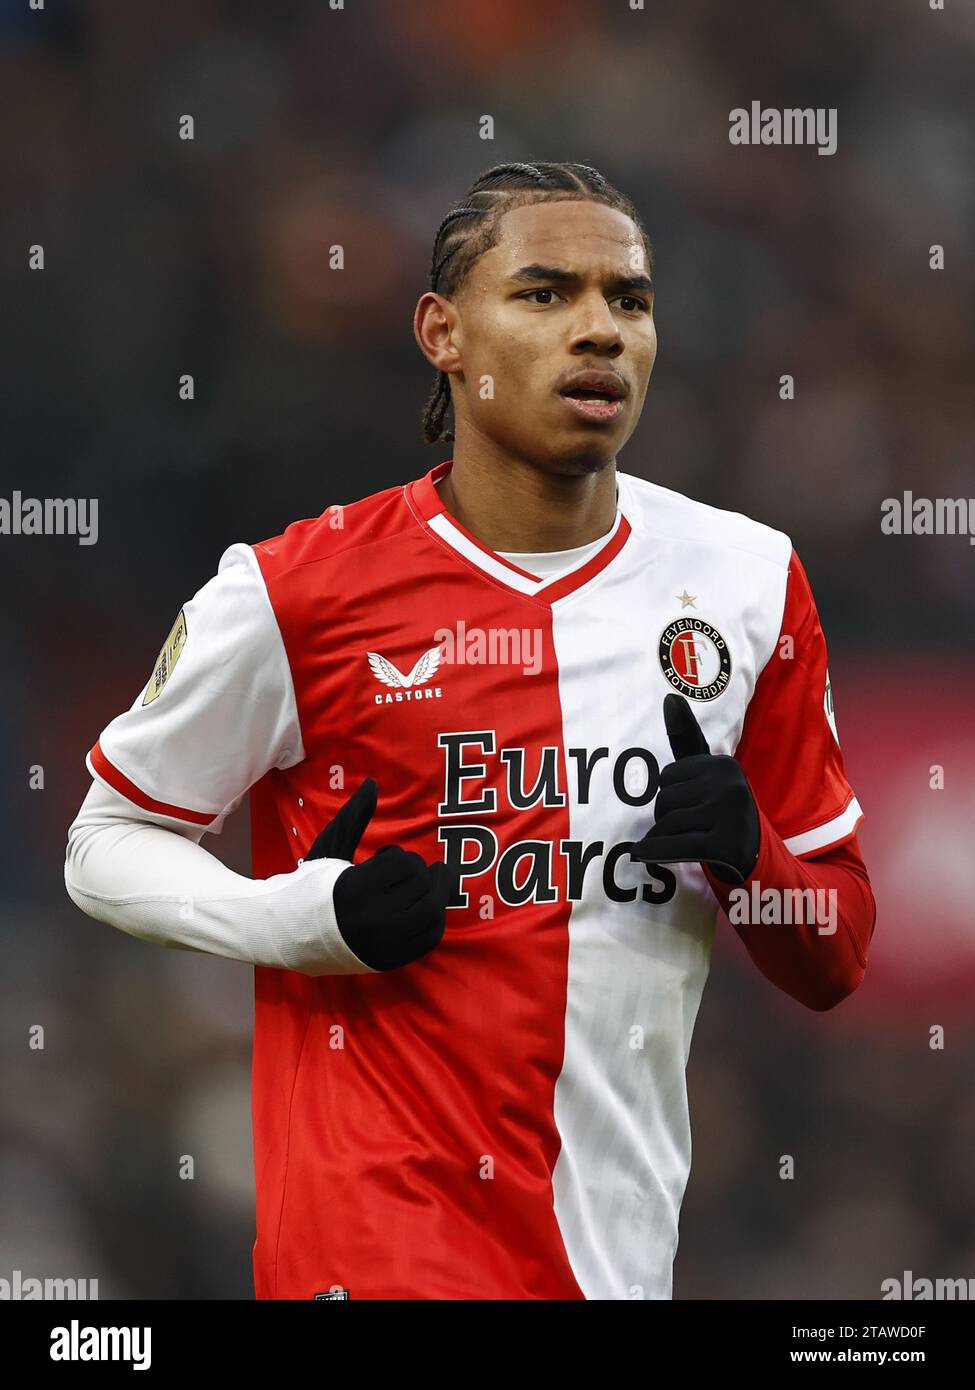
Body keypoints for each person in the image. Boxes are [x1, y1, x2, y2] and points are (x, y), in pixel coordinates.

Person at [64, 161, 876, 1301]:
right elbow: (104, 842)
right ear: (445, 333)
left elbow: (835, 953)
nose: (597, 330)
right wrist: (304, 913)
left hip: (613, 1261)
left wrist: (756, 861)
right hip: (368, 1250)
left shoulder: (745, 581)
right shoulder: (295, 592)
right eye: (544, 294)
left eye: (627, 300)